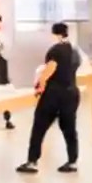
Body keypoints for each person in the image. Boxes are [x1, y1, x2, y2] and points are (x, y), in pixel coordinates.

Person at [17, 23, 81, 174]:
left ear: (54, 34)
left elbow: (51, 69)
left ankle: (32, 161)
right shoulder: (74, 51)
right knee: (69, 128)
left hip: (54, 94)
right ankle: (72, 161)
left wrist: (40, 84)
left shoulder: (55, 50)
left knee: (39, 126)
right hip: (71, 93)